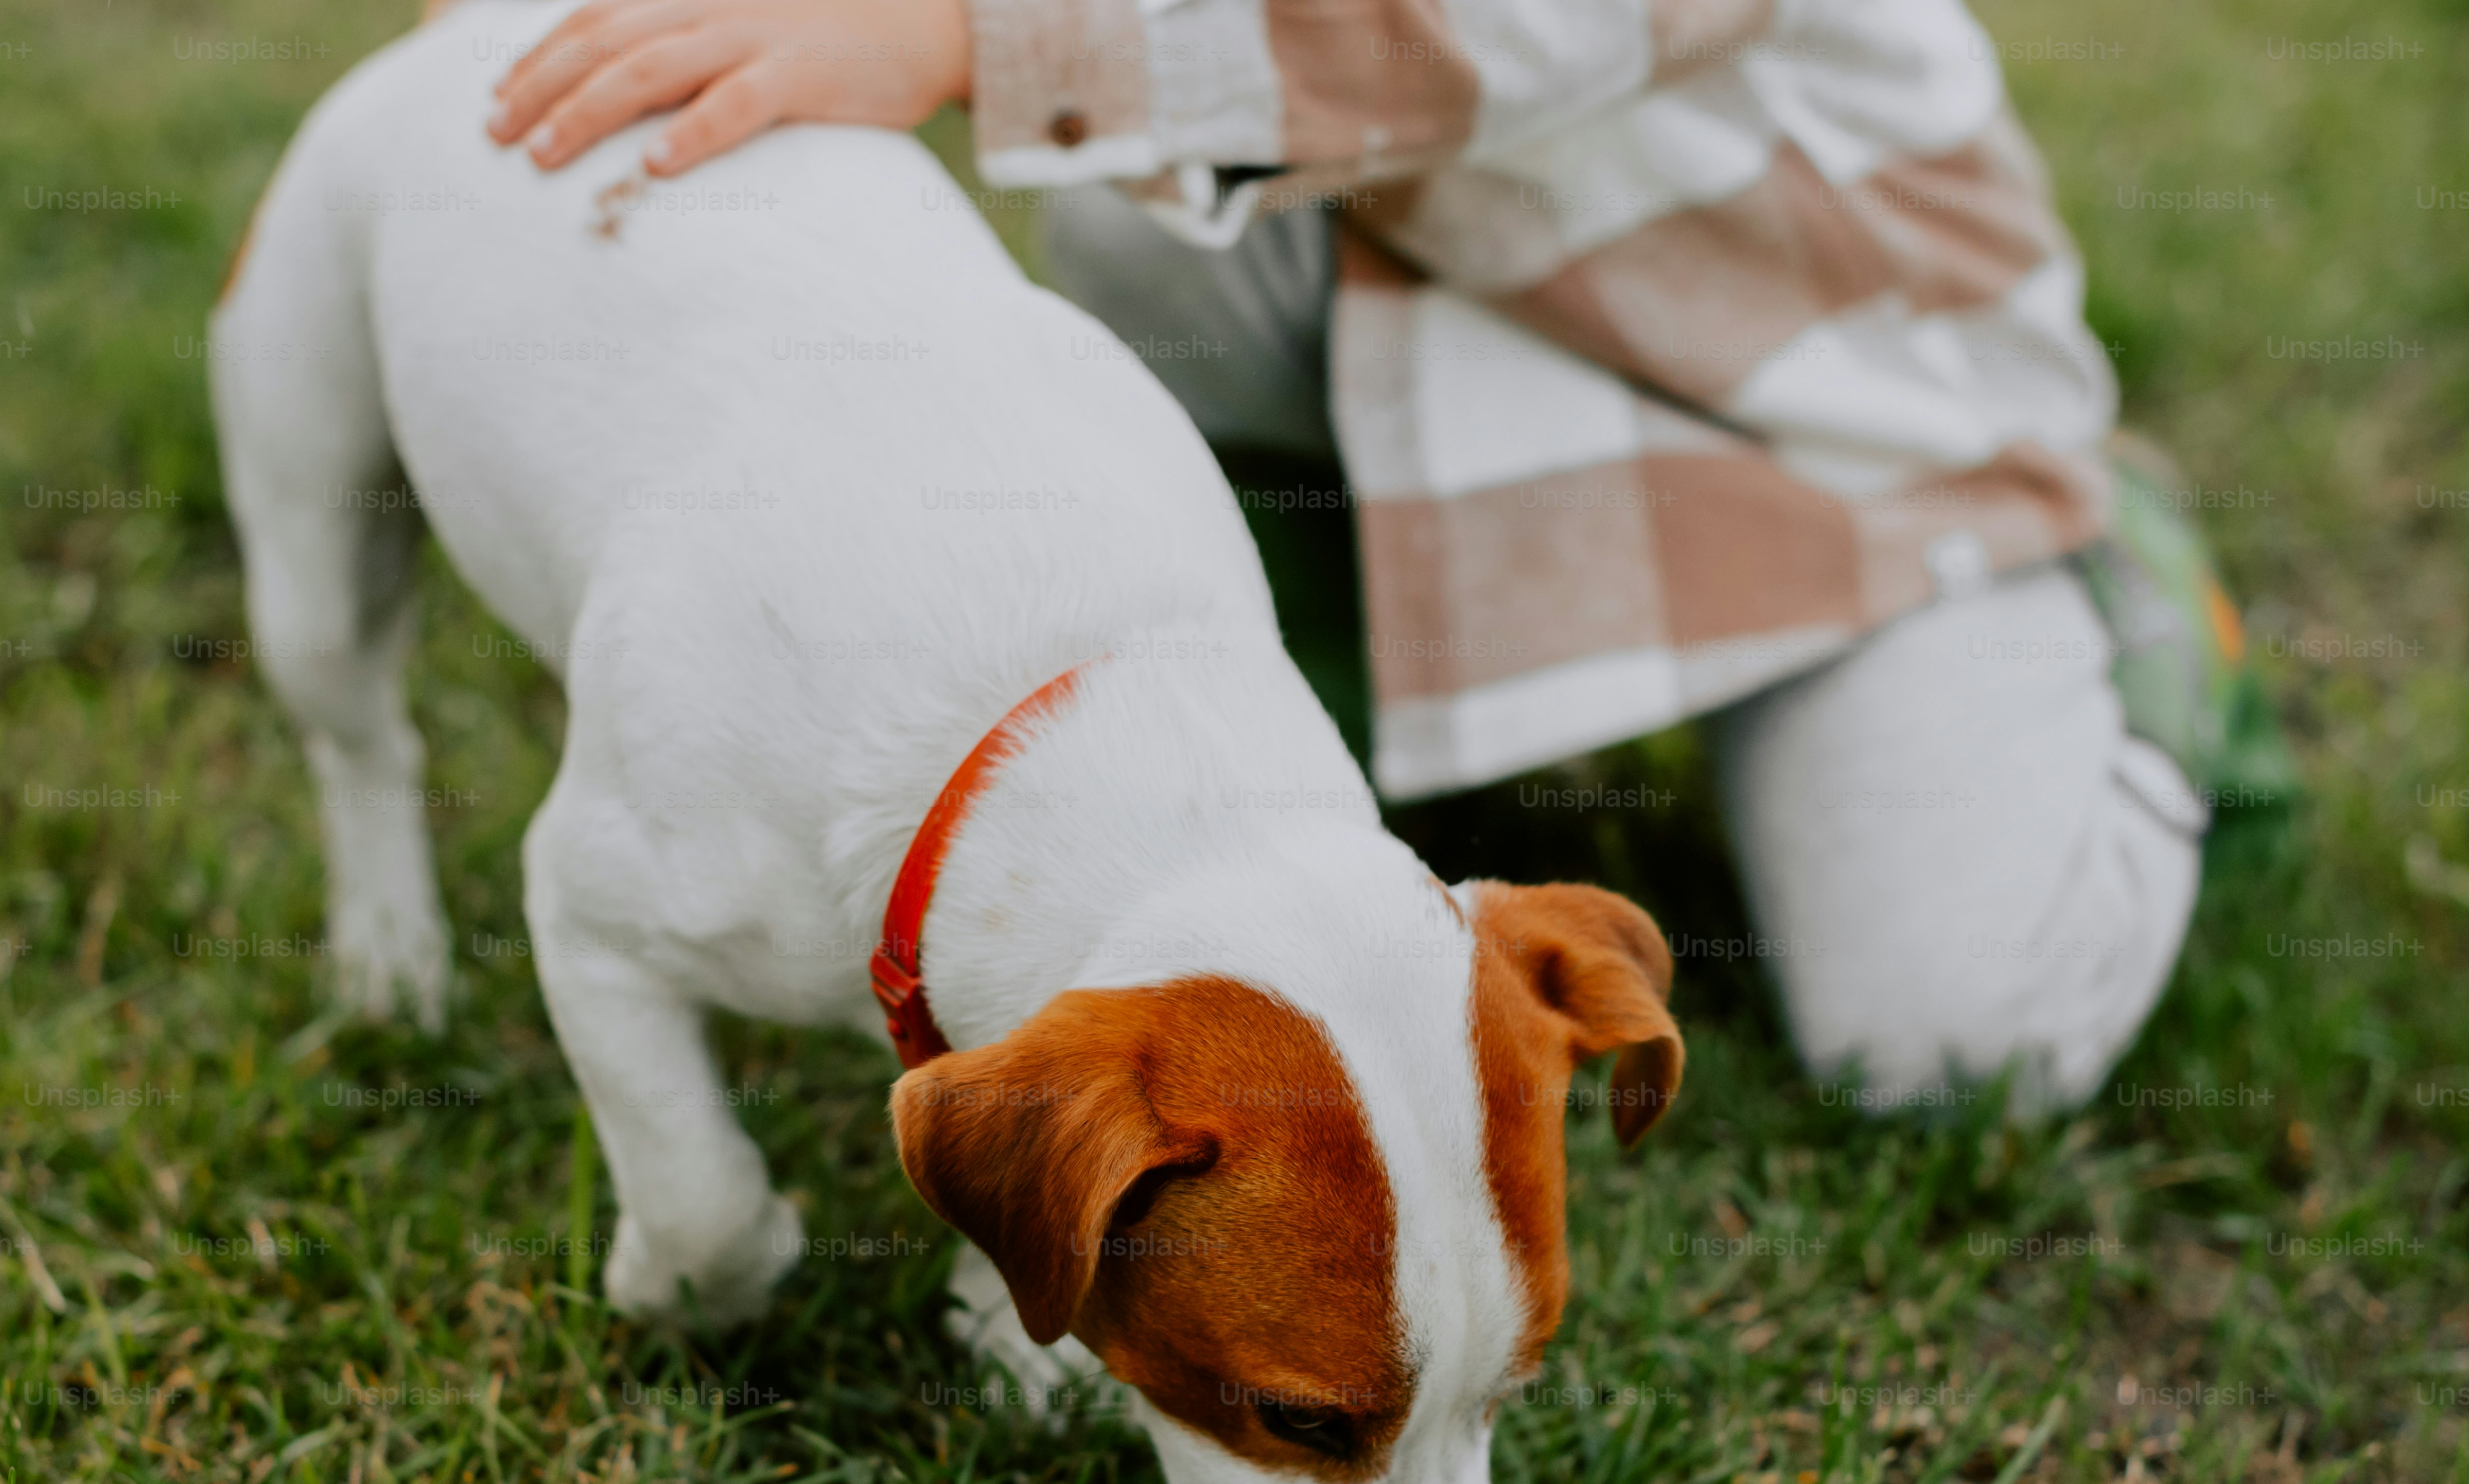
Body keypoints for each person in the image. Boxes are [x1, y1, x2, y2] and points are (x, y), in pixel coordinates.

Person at [479, 0, 2270, 1113]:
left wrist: (967, 29)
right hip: (1456, 293)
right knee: (1127, 220)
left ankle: (2131, 592)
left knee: (1955, 1044)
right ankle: (1342, 621)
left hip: (1845, 419)